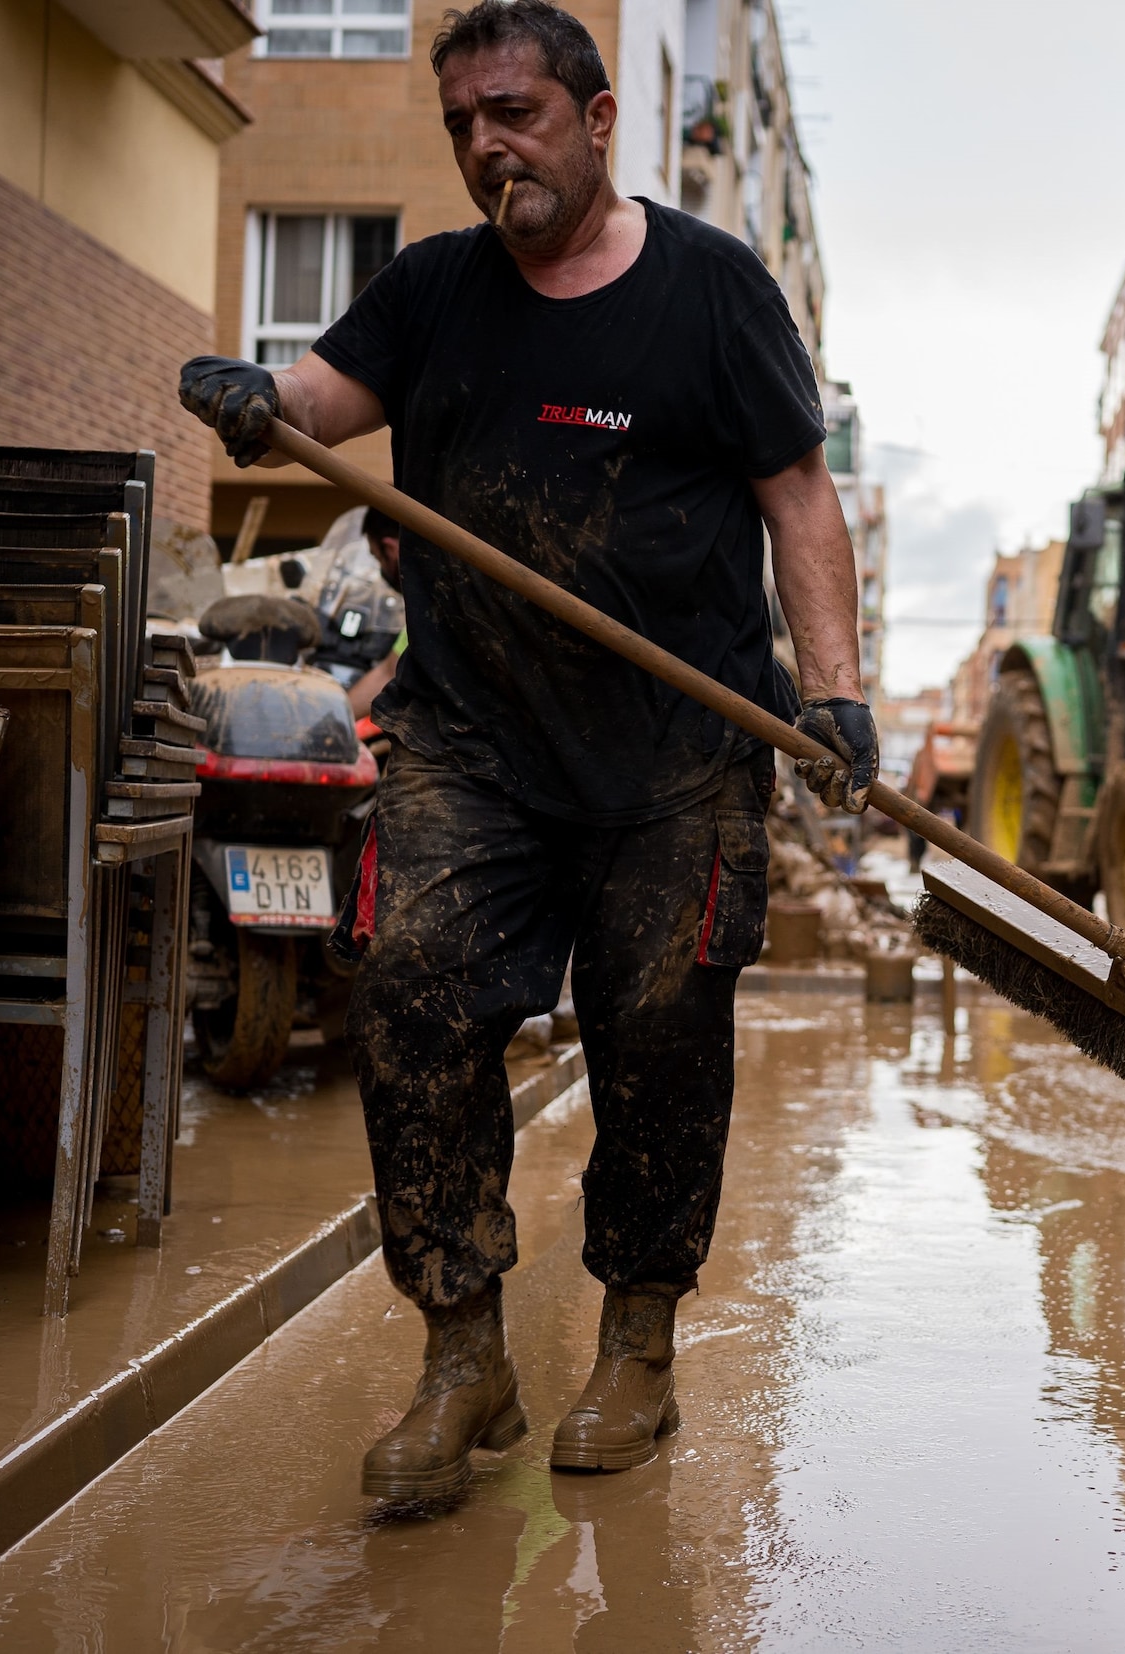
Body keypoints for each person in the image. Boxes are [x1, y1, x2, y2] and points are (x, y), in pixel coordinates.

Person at [179, 1, 874, 1497]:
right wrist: (258, 395)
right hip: (473, 744)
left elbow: (798, 498)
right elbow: (322, 398)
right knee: (412, 998)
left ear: (596, 119)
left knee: (661, 1050)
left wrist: (835, 692)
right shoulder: (433, 290)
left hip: (678, 758)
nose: (489, 148)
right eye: (463, 126)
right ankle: (463, 1358)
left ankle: (636, 1351)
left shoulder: (713, 290)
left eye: (516, 113)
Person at [345, 507, 407, 718]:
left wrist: (329, 722)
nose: (382, 568)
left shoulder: (435, 602)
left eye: (378, 557)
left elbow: (388, 674)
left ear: (390, 547)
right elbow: (389, 671)